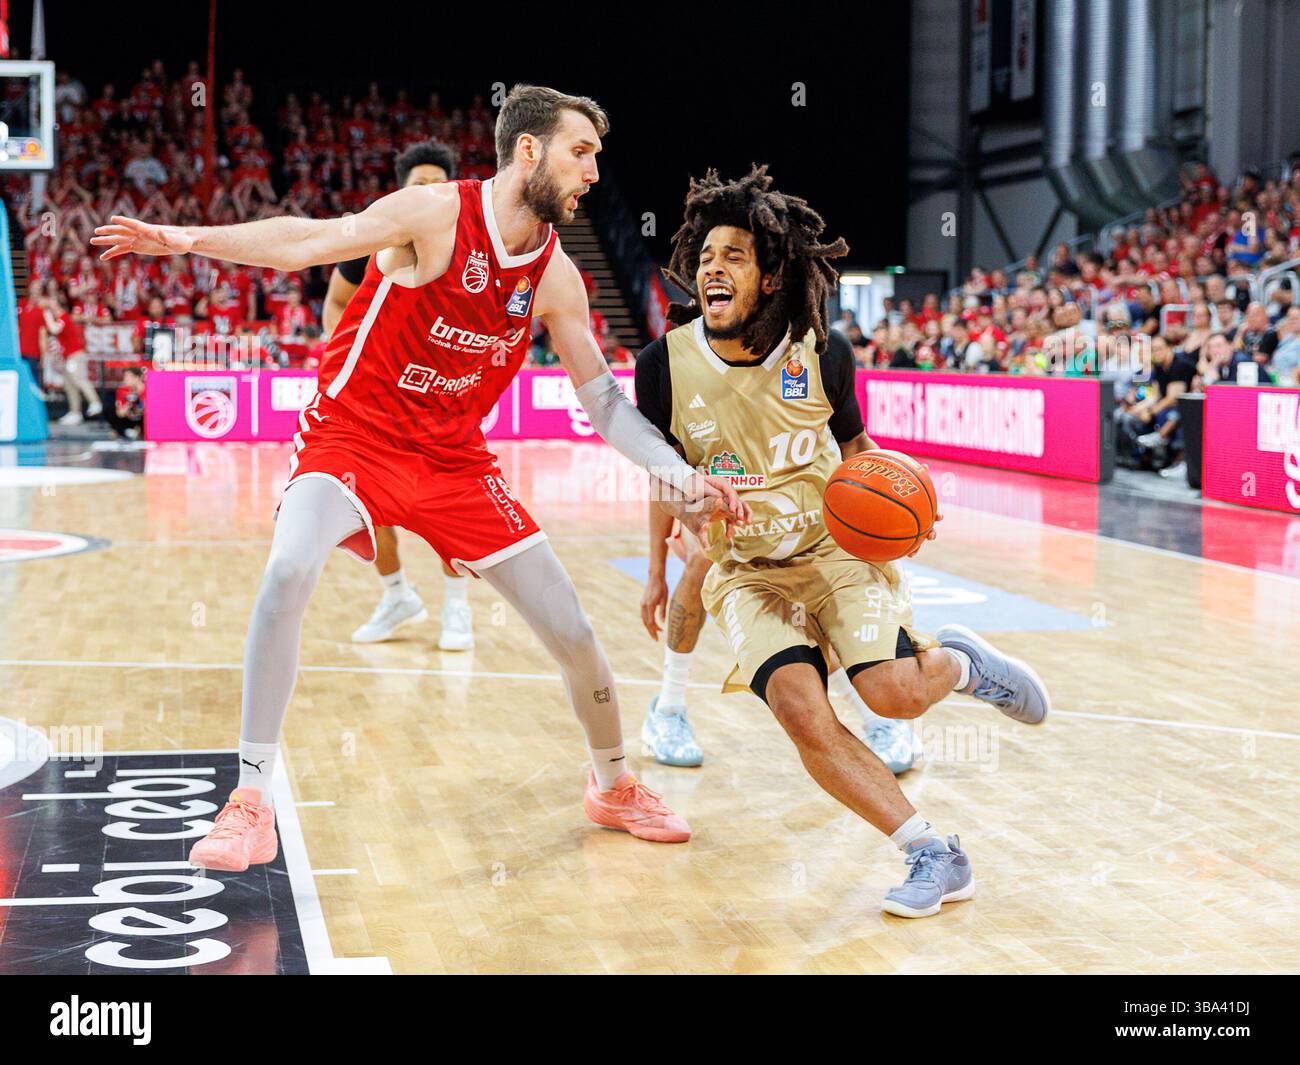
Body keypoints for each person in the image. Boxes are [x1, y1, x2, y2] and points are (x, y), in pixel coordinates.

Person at [94, 84, 749, 870]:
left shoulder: (556, 277)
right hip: (352, 438)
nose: (593, 173)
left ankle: (612, 783)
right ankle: (251, 798)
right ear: (530, 150)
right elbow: (308, 243)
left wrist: (677, 476)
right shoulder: (436, 214)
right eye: (582, 152)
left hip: (453, 462)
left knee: (573, 628)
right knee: (288, 569)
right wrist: (184, 238)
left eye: (598, 158)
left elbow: (605, 404)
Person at [634, 166, 1049, 918]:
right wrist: (669, 553)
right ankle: (932, 851)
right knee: (800, 708)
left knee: (890, 693)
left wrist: (909, 511)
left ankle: (958, 664)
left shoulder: (819, 348)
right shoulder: (662, 366)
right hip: (747, 570)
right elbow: (662, 474)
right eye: (705, 256)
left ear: (768, 275)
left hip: (834, 549)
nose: (712, 268)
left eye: (733, 255)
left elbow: (858, 450)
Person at [319, 140, 473, 647]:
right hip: (381, 395)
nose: (428, 192)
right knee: (367, 500)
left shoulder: (472, 248)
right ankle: (396, 594)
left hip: (444, 393)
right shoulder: (373, 239)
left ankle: (458, 608)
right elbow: (336, 304)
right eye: (418, 184)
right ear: (401, 192)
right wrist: (358, 362)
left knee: (451, 504)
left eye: (437, 183)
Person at [45, 293, 103, 426]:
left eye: (53, 304)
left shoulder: (64, 317)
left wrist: (47, 316)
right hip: (68, 356)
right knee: (69, 385)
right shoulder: (59, 318)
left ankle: (95, 402)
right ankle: (75, 413)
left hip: (75, 355)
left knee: (79, 379)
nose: (50, 306)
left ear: (59, 305)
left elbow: (54, 329)